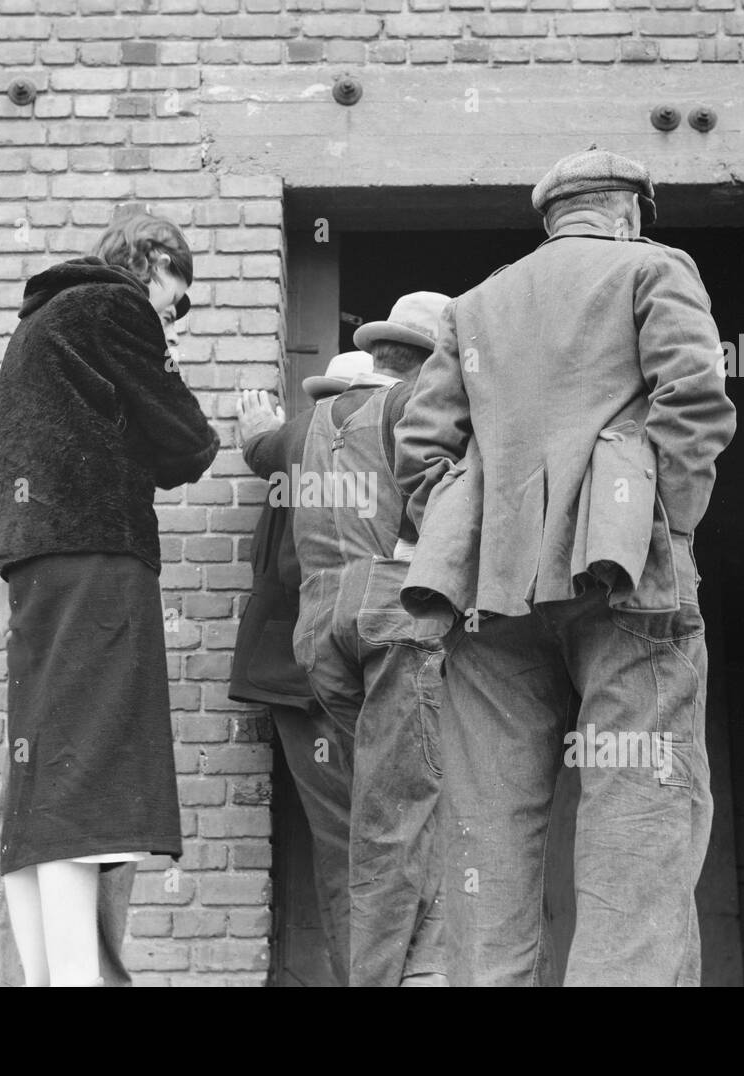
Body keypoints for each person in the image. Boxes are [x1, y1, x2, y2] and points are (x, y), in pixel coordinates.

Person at [395, 150, 737, 986]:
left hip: (492, 597)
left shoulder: (473, 306)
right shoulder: (653, 267)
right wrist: (666, 531)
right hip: (624, 581)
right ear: (626, 213)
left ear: (554, 219)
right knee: (638, 811)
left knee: (488, 827)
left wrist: (472, 530)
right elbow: (693, 402)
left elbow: (418, 446)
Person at [0, 210, 219, 986]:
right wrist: (165, 364)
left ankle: (51, 978)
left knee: (43, 782)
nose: (171, 317)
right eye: (174, 301)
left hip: (36, 567)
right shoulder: (114, 306)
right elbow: (189, 445)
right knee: (92, 772)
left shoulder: (38, 326)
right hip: (98, 557)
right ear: (148, 262)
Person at [0, 302, 186, 987]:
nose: (174, 325)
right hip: (58, 641)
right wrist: (49, 579)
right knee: (39, 824)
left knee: (90, 832)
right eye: (167, 305)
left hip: (87, 638)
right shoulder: (36, 368)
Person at [285, 292, 453, 987]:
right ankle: (405, 975)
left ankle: (424, 970)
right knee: (403, 812)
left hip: (320, 629)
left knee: (390, 806)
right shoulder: (414, 405)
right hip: (393, 615)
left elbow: (255, 441)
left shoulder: (315, 420)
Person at [230, 350, 373, 986]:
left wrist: (262, 427)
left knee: (343, 845)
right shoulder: (375, 438)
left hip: (299, 676)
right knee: (372, 844)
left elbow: (260, 440)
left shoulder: (295, 443)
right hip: (341, 675)